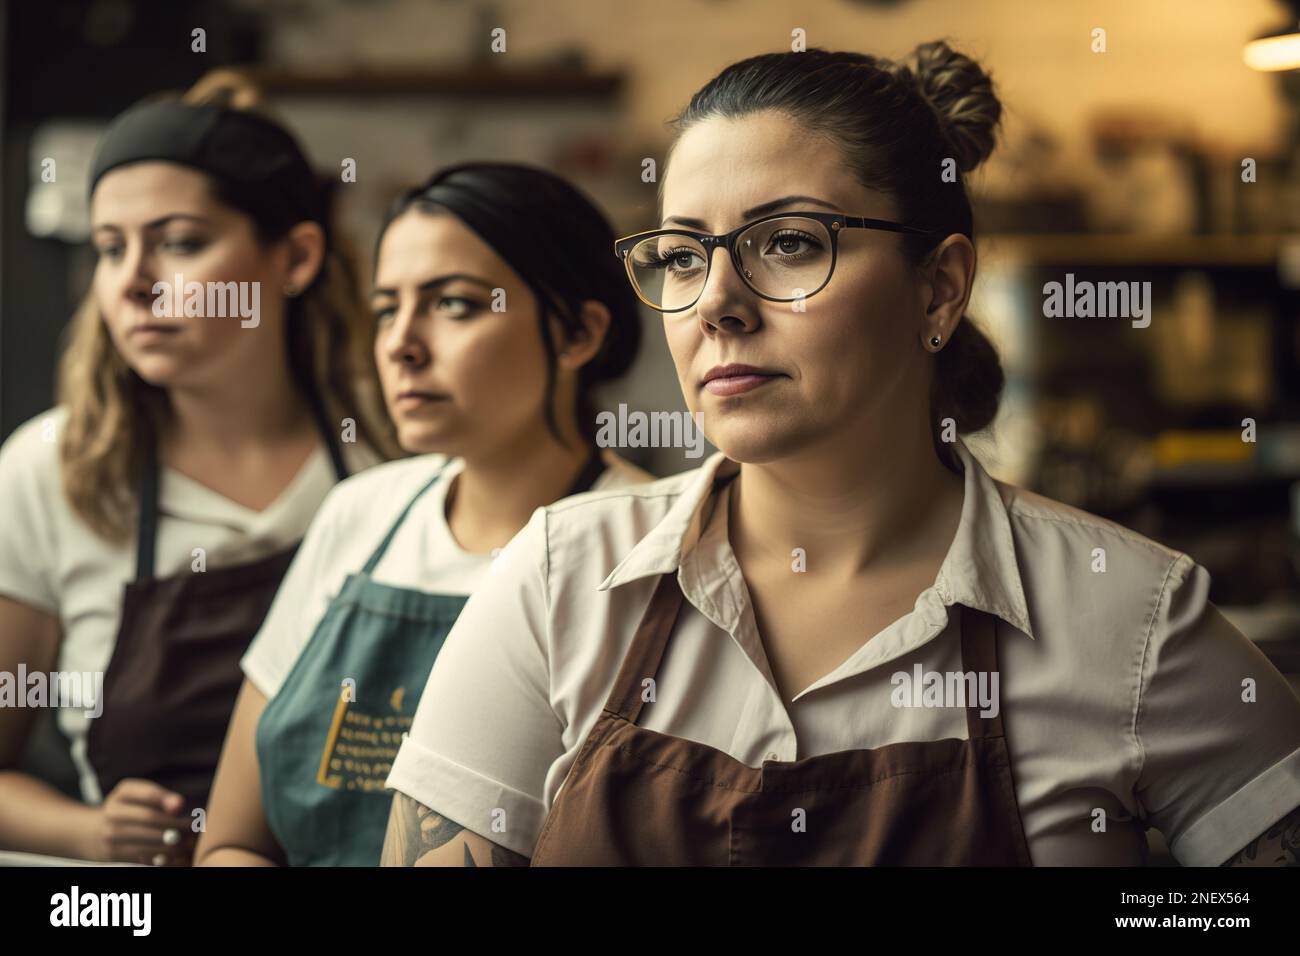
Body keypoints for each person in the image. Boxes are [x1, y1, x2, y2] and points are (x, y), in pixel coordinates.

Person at [380, 44, 1300, 867]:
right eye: (682, 255)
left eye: (787, 243)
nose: (717, 305)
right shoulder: (558, 583)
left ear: (938, 288)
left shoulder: (1129, 618)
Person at [195, 163, 652, 866]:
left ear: (577, 335)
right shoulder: (362, 514)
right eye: (386, 309)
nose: (401, 344)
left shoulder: (641, 548)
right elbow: (229, 843)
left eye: (455, 304)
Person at [0, 75, 395, 865]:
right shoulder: (53, 470)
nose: (133, 283)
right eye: (110, 247)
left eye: (178, 242)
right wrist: (88, 831)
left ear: (296, 257)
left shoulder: (389, 453)